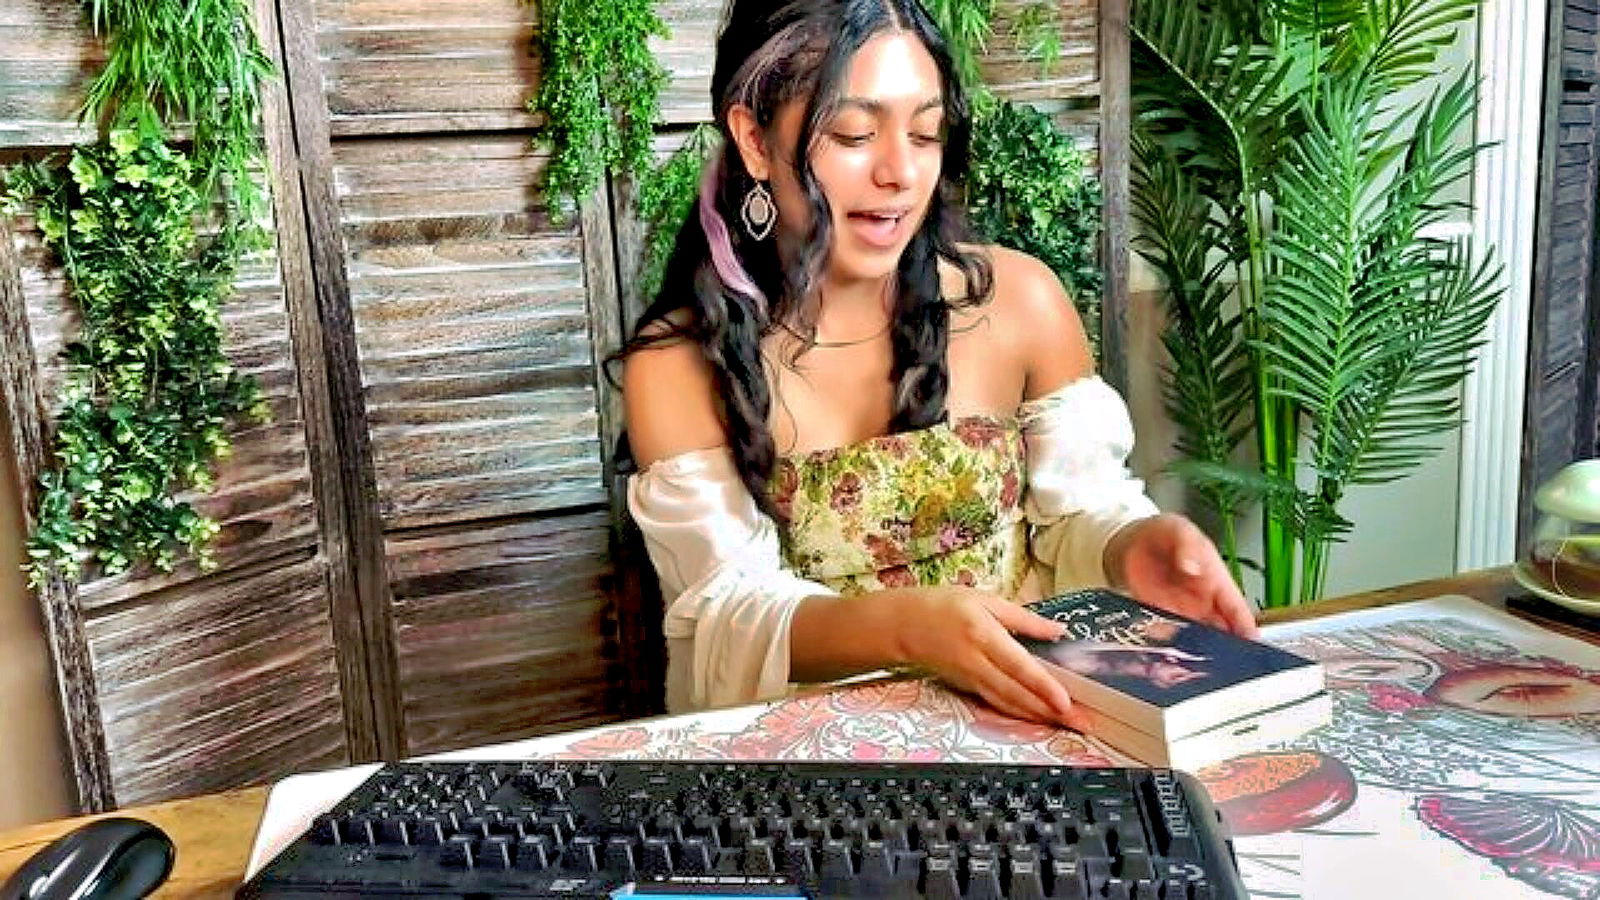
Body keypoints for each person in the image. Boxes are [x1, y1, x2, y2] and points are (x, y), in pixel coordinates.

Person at [616, 0, 1257, 727]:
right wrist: (912, 629)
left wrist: (1131, 546)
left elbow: (1080, 514)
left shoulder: (1021, 300)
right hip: (821, 761)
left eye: (925, 133)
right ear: (754, 140)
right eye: (854, 132)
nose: (900, 172)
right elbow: (728, 611)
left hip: (1033, 719)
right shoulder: (679, 363)